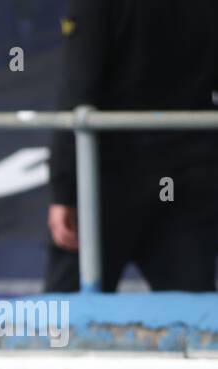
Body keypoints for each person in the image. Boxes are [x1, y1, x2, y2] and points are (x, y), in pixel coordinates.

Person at [44, 0, 218, 292]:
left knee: (63, 321)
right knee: (191, 317)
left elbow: (78, 94)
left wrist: (64, 190)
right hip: (189, 179)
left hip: (108, 184)